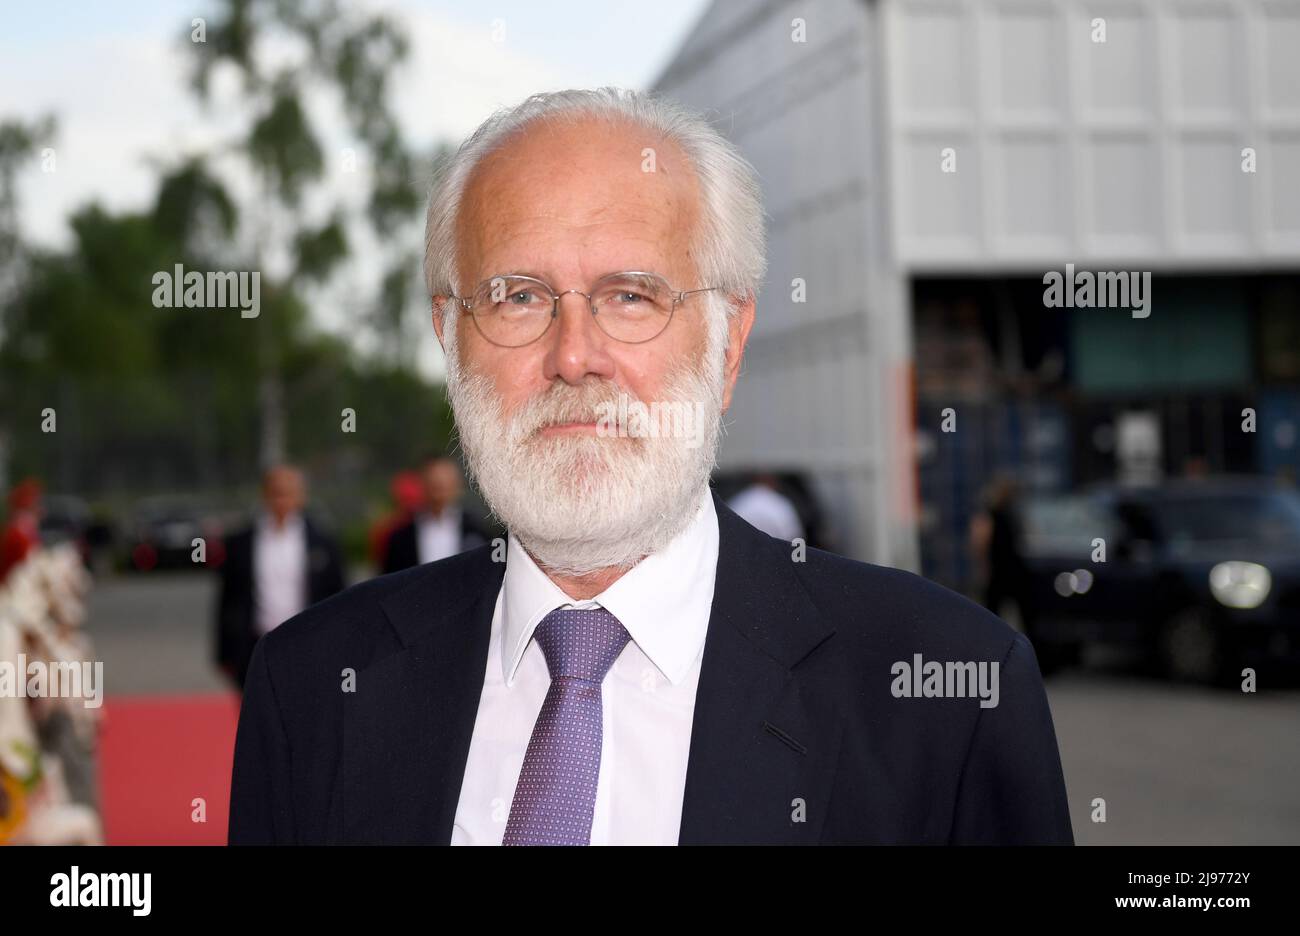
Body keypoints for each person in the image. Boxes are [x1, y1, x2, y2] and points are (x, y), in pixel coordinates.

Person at [230, 88, 1072, 845]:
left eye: (631, 295)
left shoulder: (951, 697)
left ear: (729, 342)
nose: (574, 356)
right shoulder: (310, 690)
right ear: (451, 337)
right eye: (518, 297)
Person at [215, 465, 345, 691]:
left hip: (308, 644)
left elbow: (339, 596)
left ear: (301, 496)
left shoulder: (323, 542)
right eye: (275, 492)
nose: (281, 499)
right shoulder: (240, 543)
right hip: (255, 646)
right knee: (258, 719)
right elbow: (227, 599)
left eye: (288, 493)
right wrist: (224, 652)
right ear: (264, 494)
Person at [381, 456, 489, 573]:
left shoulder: (477, 531)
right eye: (435, 485)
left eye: (445, 485)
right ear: (423, 485)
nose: (440, 491)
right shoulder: (401, 538)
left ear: (458, 486)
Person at [727, 472, 805, 543]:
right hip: (776, 553)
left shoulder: (738, 501)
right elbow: (793, 536)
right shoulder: (781, 503)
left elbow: (728, 532)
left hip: (742, 552)